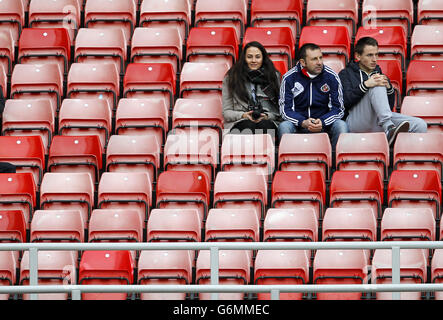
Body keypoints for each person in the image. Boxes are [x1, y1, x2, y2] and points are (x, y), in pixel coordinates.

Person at [338, 37, 427, 146]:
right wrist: (365, 85)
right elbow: (344, 102)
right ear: (358, 56)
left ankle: (396, 152)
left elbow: (387, 108)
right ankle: (388, 128)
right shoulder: (345, 74)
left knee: (420, 125)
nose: (374, 59)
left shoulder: (380, 74)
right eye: (370, 55)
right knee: (377, 84)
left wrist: (389, 88)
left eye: (376, 54)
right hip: (356, 121)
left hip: (379, 121)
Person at [278, 43, 348, 150]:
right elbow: (285, 110)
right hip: (298, 124)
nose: (319, 62)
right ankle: (288, 161)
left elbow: (338, 109)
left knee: (341, 125)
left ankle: (334, 161)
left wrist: (323, 121)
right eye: (314, 59)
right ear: (303, 62)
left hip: (324, 124)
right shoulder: (289, 78)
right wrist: (302, 122)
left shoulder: (331, 77)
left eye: (320, 58)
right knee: (284, 126)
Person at [222, 41, 282, 138]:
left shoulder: (273, 77)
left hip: (267, 120)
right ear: (244, 59)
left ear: (263, 58)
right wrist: (244, 115)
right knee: (248, 126)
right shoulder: (232, 78)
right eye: (249, 57)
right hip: (239, 121)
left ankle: (265, 152)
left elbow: (279, 111)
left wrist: (266, 116)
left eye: (257, 57)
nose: (254, 60)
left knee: (264, 126)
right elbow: (227, 112)